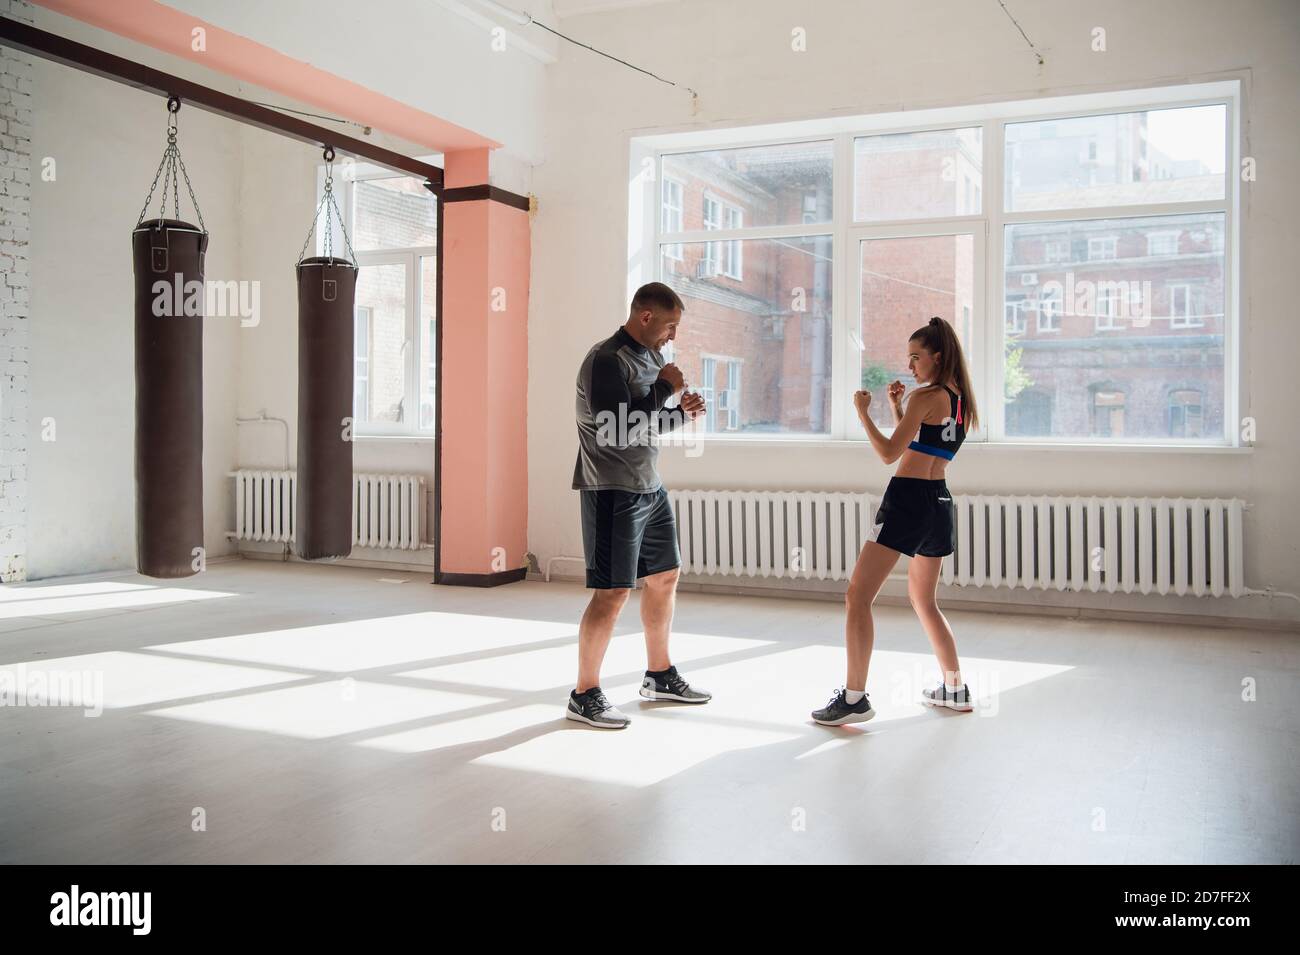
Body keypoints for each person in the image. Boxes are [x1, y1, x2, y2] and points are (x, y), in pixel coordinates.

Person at [812, 316, 980, 726]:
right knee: (924, 601)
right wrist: (896, 408)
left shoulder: (928, 395)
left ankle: (853, 699)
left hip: (907, 502)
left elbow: (889, 452)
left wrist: (862, 412)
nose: (911, 366)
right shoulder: (960, 399)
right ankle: (955, 688)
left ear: (936, 357)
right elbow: (927, 442)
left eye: (916, 357)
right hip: (939, 502)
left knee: (857, 597)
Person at [567, 282, 711, 729]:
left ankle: (659, 675)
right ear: (645, 317)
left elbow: (646, 425)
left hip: (648, 485)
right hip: (611, 489)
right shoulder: (607, 360)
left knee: (665, 576)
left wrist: (680, 413)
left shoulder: (651, 357)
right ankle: (584, 693)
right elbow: (617, 429)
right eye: (670, 325)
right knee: (611, 593)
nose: (672, 336)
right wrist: (666, 390)